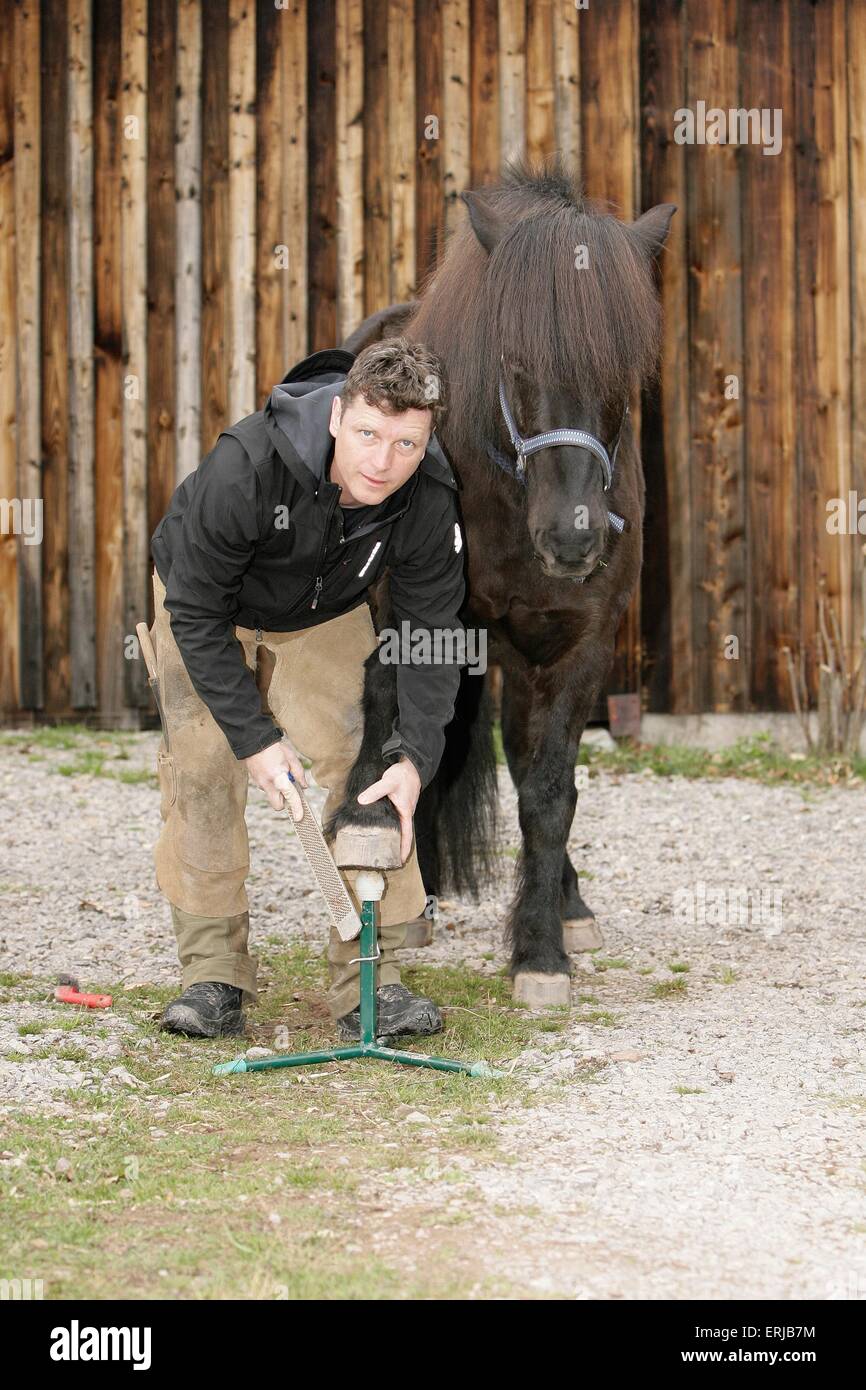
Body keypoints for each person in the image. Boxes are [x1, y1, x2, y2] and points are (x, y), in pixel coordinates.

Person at [146, 338, 465, 1040]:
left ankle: (370, 980)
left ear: (428, 438)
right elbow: (195, 612)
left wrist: (414, 758)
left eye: (407, 443)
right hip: (206, 609)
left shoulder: (428, 496)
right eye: (368, 435)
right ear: (335, 418)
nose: (383, 462)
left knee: (367, 762)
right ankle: (213, 977)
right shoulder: (248, 467)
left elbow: (431, 634)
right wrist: (255, 741)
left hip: (324, 613)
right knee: (204, 767)